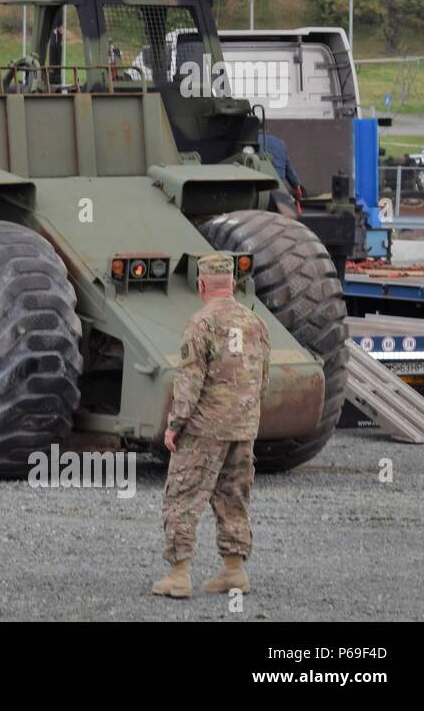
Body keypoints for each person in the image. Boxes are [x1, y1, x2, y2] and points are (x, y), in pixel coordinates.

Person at [153, 253, 271, 599]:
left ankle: (178, 574)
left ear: (201, 284)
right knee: (234, 496)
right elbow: (262, 379)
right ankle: (234, 571)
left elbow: (189, 381)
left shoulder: (200, 324)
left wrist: (175, 425)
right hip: (243, 426)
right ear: (232, 284)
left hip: (205, 429)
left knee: (183, 496)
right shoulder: (255, 322)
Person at [258, 130, 303, 196]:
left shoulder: (252, 143)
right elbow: (288, 167)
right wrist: (297, 186)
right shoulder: (280, 143)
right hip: (279, 188)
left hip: (260, 189)